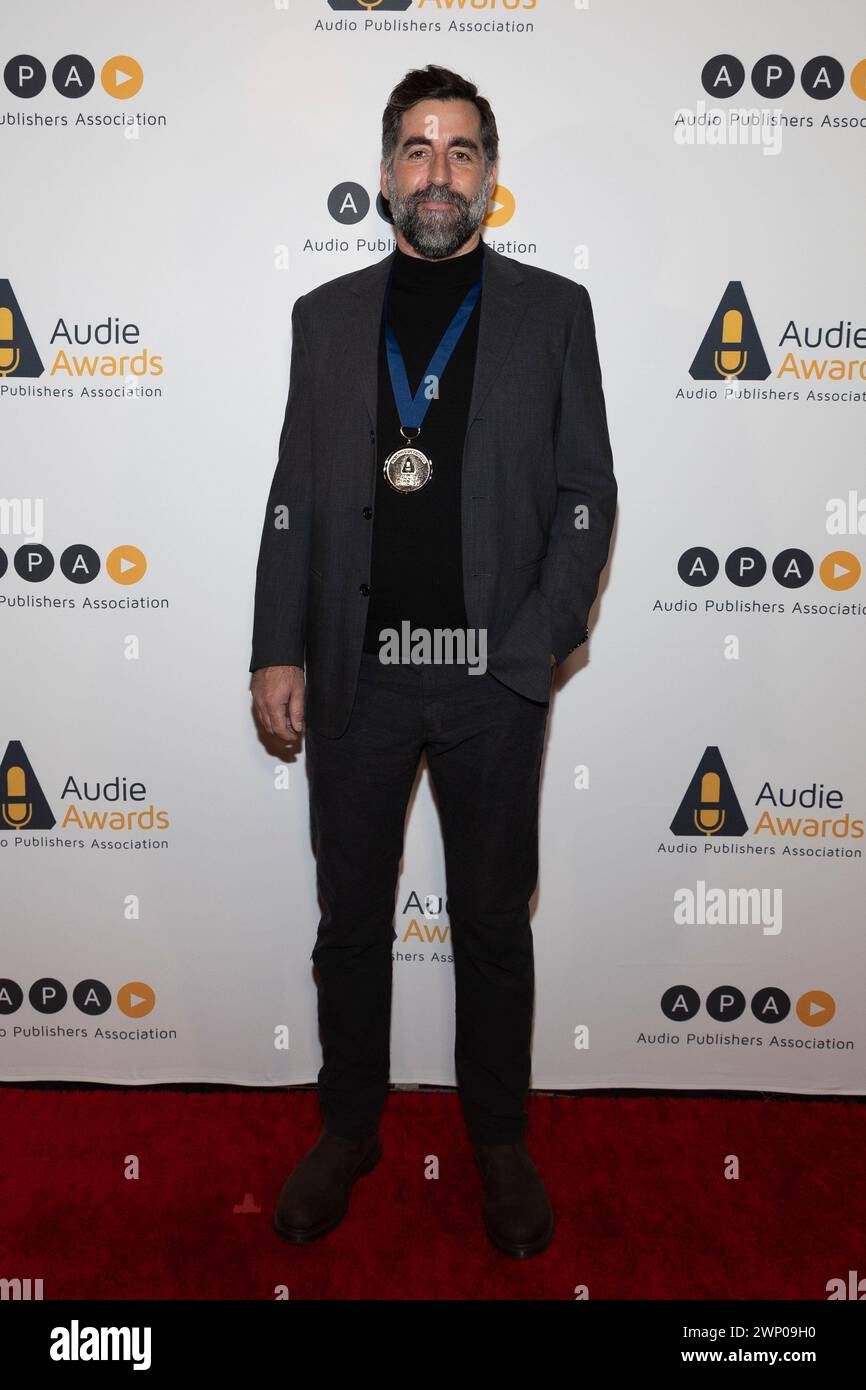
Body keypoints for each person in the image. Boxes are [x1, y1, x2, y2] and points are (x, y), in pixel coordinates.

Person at [249, 64, 617, 1258]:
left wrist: (535, 642)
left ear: (489, 180)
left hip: (488, 677)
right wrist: (274, 648)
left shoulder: (553, 312)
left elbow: (583, 492)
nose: (437, 173)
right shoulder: (326, 318)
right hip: (355, 672)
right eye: (416, 149)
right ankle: (349, 1125)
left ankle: (497, 1141)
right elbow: (293, 498)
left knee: (490, 922)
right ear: (384, 176)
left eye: (460, 151)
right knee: (348, 917)